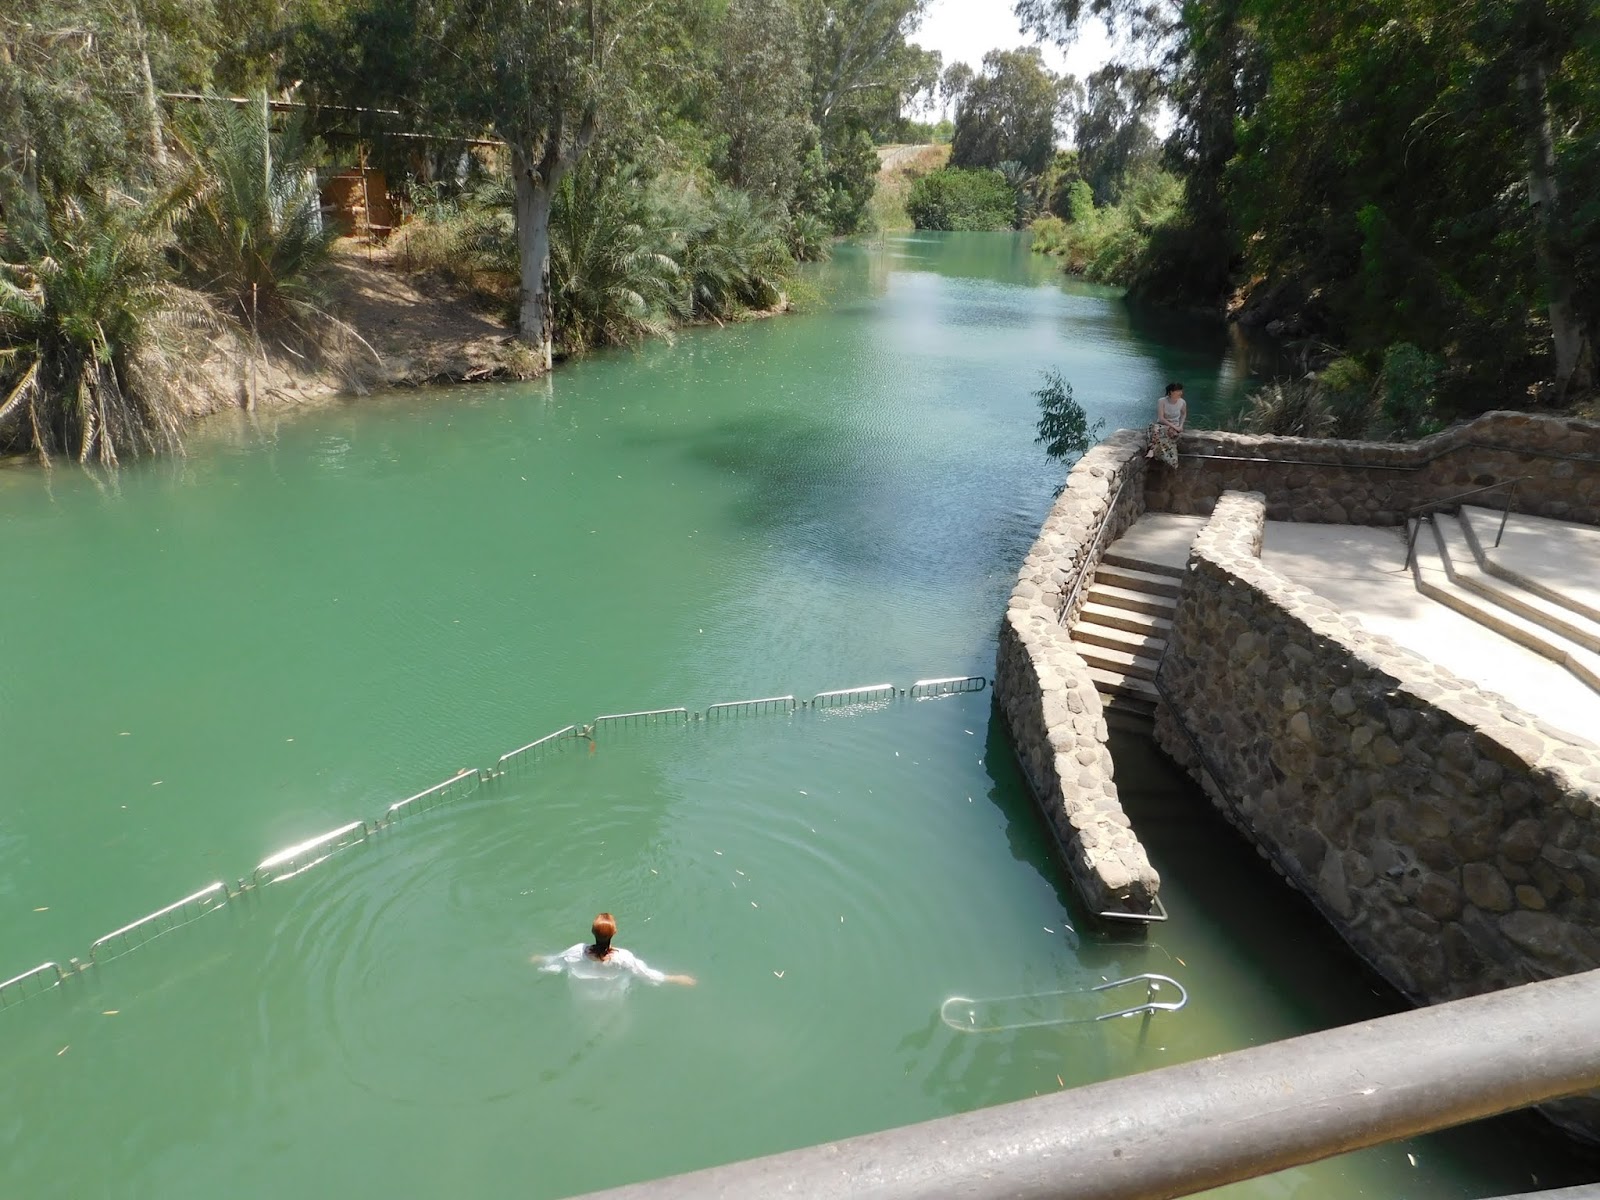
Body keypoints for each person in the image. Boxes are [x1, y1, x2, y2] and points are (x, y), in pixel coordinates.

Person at [533, 912, 696, 986]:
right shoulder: (624, 958)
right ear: (615, 932)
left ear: (592, 932)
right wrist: (674, 978)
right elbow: (644, 974)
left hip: (582, 996)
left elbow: (557, 963)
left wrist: (541, 959)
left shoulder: (576, 952)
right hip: (611, 997)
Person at [1146, 382, 1186, 467]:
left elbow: (1183, 414)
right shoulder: (1162, 401)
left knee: (1165, 434)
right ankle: (1152, 449)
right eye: (1178, 391)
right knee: (1155, 428)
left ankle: (1155, 451)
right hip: (1163, 425)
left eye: (1180, 391)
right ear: (1171, 392)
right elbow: (1161, 418)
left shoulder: (1182, 402)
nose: (1180, 393)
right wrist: (1174, 427)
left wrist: (1180, 426)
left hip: (1174, 427)